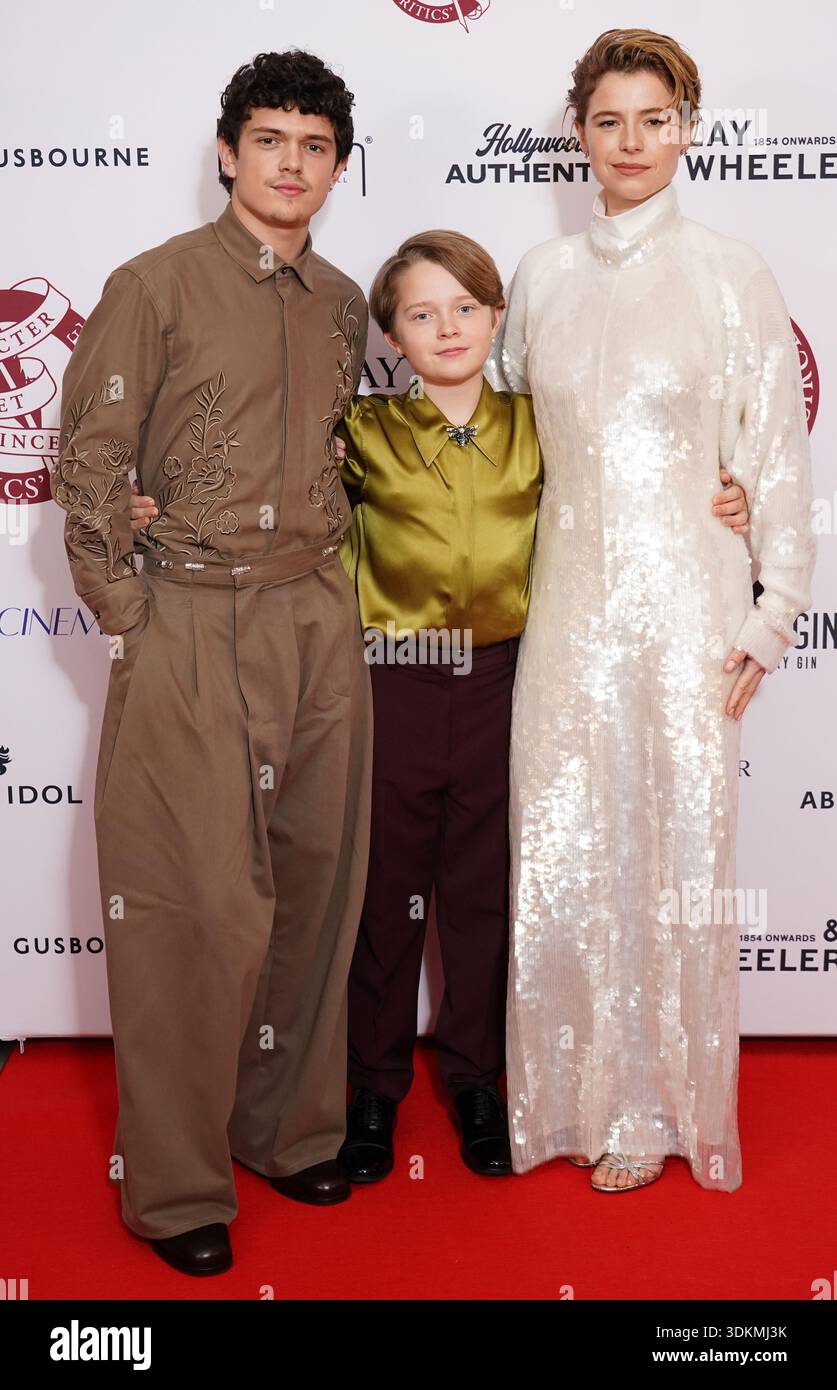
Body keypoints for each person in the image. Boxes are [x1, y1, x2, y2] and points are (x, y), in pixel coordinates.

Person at [133, 231, 750, 1186]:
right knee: (384, 890)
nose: (446, 327)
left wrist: (732, 495)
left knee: (481, 891)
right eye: (420, 314)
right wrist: (149, 501)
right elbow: (272, 493)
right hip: (392, 676)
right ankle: (370, 1086)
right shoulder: (363, 431)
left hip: (514, 677)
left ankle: (475, 1080)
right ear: (391, 335)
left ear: (497, 317)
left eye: (464, 307)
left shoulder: (541, 420)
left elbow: (631, 485)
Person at [49, 50, 372, 1276]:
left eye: (316, 145)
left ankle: (286, 1130)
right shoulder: (155, 285)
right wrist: (128, 611)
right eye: (271, 139)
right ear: (229, 152)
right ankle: (178, 1190)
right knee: (191, 909)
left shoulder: (342, 299)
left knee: (313, 888)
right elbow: (87, 466)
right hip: (187, 614)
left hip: (314, 615)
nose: (293, 163)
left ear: (337, 167)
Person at [485, 28, 816, 1193]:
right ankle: (575, 1099)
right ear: (578, 130)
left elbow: (775, 458)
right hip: (566, 606)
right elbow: (501, 448)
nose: (632, 142)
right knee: (569, 847)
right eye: (609, 119)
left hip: (689, 603)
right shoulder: (539, 277)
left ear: (688, 126)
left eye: (656, 118)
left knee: (676, 851)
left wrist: (774, 614)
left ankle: (665, 1106)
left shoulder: (733, 271)